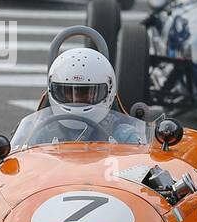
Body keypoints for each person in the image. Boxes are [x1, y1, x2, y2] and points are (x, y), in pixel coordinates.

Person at [11, 45, 144, 147]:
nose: (77, 100)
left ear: (108, 91)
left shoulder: (124, 134)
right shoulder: (38, 132)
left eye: (85, 93)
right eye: (68, 93)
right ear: (53, 90)